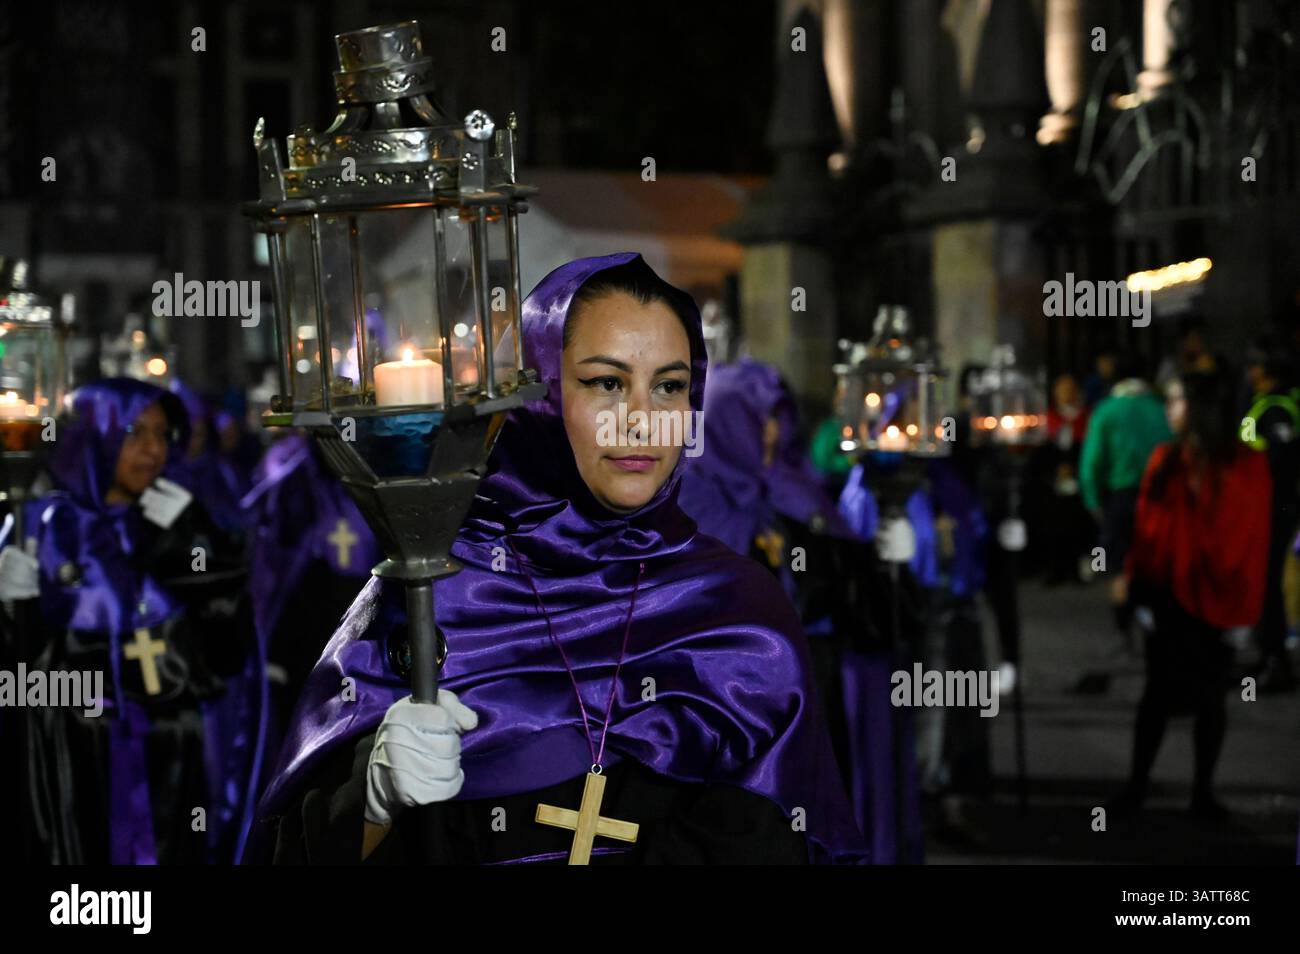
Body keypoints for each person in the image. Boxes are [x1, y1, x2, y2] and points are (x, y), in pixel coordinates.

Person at [250, 253, 867, 865]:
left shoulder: (741, 610)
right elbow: (294, 850)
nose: (643, 422)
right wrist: (368, 804)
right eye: (607, 383)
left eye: (670, 387)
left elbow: (801, 841)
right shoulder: (435, 589)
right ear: (538, 396)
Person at [0, 378, 258, 863]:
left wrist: (197, 543)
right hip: (79, 755)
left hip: (172, 755)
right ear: (94, 435)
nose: (153, 450)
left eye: (162, 435)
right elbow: (20, 673)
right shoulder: (43, 524)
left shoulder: (173, 518)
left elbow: (227, 645)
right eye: (134, 433)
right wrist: (9, 612)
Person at [678, 358, 908, 861]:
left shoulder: (784, 483)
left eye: (778, 418)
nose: (773, 432)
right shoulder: (693, 494)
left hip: (815, 667)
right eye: (760, 418)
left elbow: (836, 567)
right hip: (734, 694)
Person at [1111, 369, 1271, 820]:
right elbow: (1147, 527)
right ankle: (1138, 786)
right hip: (1167, 594)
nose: (1169, 409)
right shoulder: (1165, 459)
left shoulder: (1244, 464)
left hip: (1217, 597)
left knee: (1210, 697)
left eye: (1178, 400)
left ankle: (1201, 791)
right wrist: (1133, 579)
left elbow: (1245, 534)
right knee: (1157, 692)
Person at [1077, 355, 1171, 678]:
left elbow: (1092, 461)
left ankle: (1124, 634)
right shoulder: (1160, 408)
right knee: (1157, 566)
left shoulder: (1107, 410)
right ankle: (1157, 632)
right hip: (1161, 497)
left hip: (1122, 499)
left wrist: (1092, 499)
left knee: (1119, 568)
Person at [1243, 340, 1299, 691]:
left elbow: (1279, 459)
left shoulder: (1276, 409)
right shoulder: (1266, 405)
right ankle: (1267, 656)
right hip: (1264, 507)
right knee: (1265, 584)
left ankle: (1275, 661)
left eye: (1257, 365)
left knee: (1270, 586)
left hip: (1272, 508)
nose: (1251, 372)